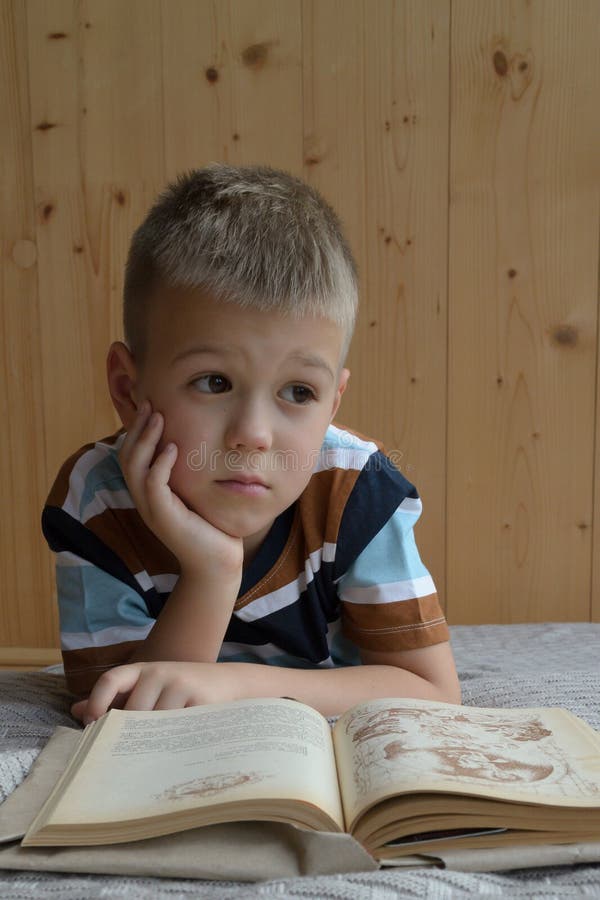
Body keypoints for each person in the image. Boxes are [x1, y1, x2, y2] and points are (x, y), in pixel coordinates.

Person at [41, 163, 461, 724]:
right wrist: (211, 572)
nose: (254, 436)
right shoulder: (96, 501)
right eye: (214, 382)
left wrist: (231, 684)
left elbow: (432, 690)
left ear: (333, 403)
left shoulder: (356, 489)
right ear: (128, 386)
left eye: (298, 391)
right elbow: (116, 714)